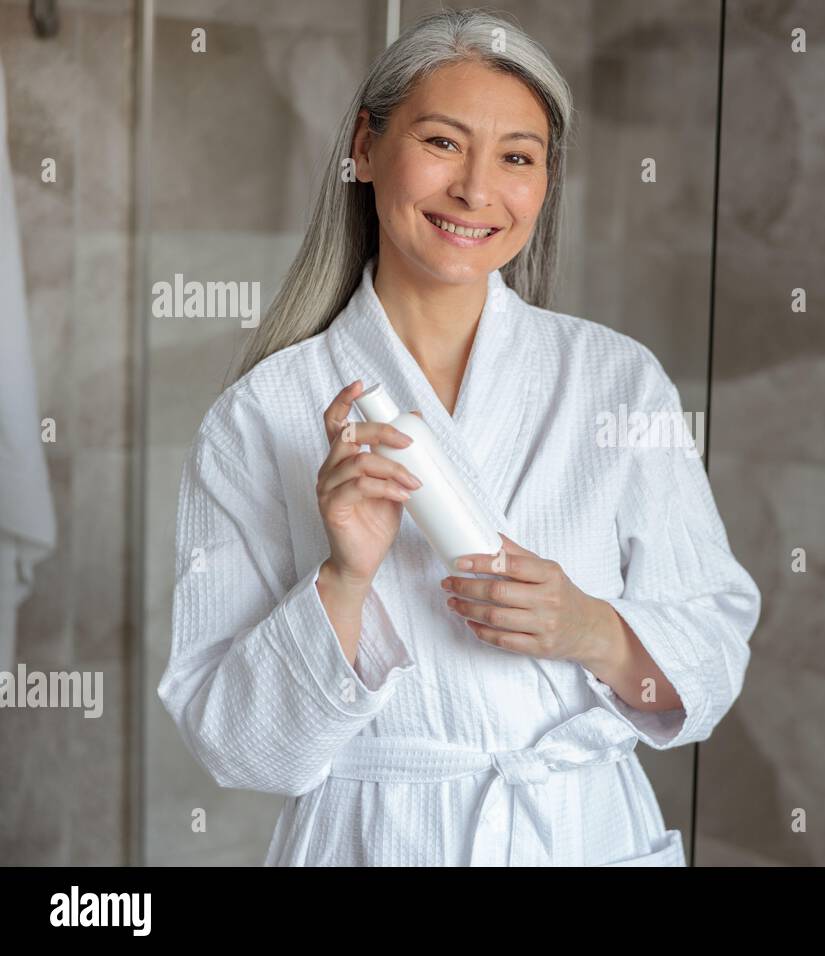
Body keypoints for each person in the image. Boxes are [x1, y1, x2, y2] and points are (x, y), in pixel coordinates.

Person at [157, 8, 760, 866]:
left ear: (545, 181)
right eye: (442, 142)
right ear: (364, 147)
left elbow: (713, 649)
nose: (478, 190)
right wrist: (345, 578)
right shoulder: (261, 415)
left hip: (582, 831)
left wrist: (590, 628)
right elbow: (239, 747)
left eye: (517, 156)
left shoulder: (618, 381)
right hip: (376, 840)